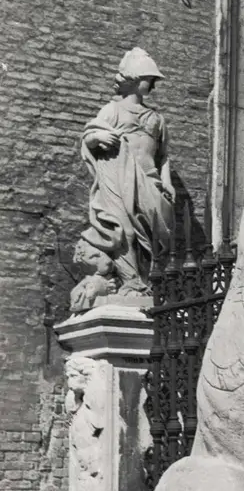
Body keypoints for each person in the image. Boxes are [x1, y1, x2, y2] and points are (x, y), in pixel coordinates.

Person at [71, 48, 175, 311]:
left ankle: (147, 282)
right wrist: (98, 138)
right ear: (132, 78)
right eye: (147, 78)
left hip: (150, 184)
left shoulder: (156, 119)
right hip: (119, 182)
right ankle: (132, 283)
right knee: (124, 231)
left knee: (152, 236)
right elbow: (90, 136)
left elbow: (163, 157)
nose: (151, 84)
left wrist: (168, 182)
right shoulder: (113, 109)